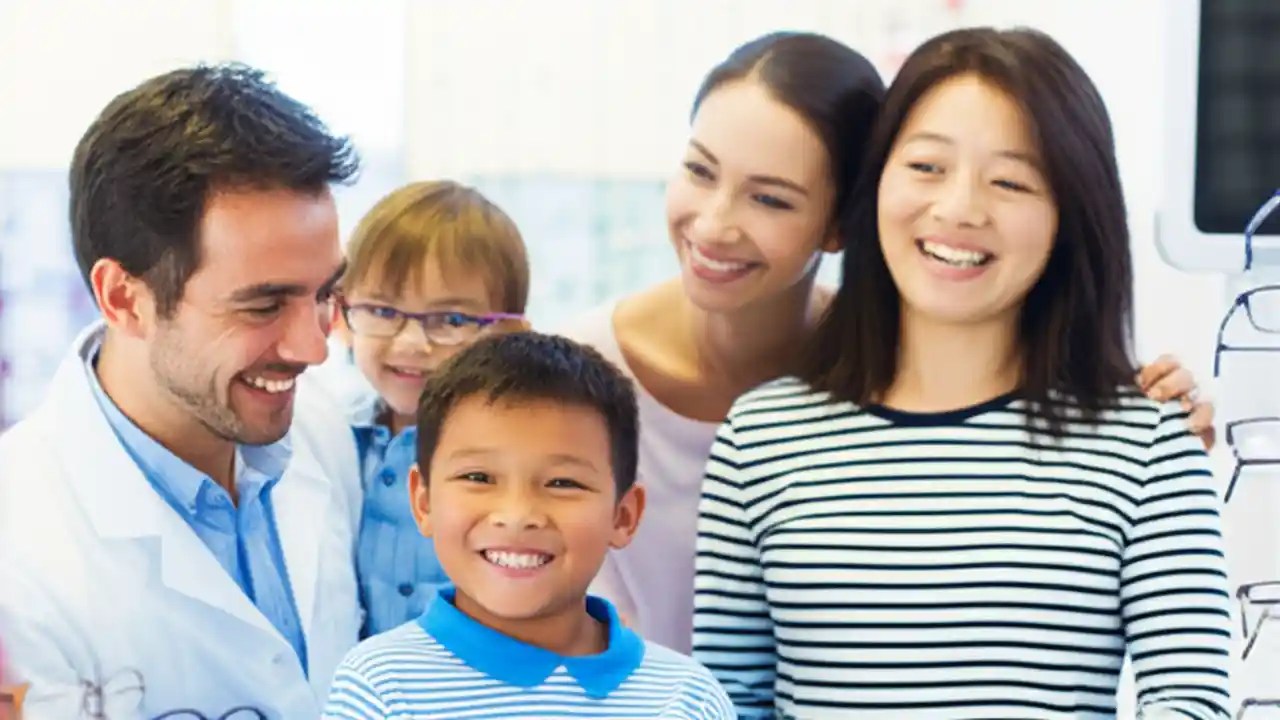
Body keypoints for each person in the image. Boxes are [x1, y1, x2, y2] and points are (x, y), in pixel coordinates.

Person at [560, 30, 1216, 654]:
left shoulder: (903, 375)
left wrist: (1143, 424)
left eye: (772, 198)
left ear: (843, 221)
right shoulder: (585, 380)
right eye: (699, 172)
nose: (715, 223)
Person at [0, 64, 363, 718]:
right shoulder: (19, 551)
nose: (314, 348)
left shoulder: (320, 436)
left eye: (325, 294)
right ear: (123, 299)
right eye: (262, 307)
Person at [321, 333, 734, 719]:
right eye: (478, 478)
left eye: (562, 483)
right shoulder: (380, 687)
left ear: (623, 516)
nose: (517, 515)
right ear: (424, 501)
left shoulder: (686, 697)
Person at [292, 180, 529, 638]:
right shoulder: (332, 435)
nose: (411, 343)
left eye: (451, 321)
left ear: (509, 333)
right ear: (343, 314)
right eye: (382, 311)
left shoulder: (519, 457)